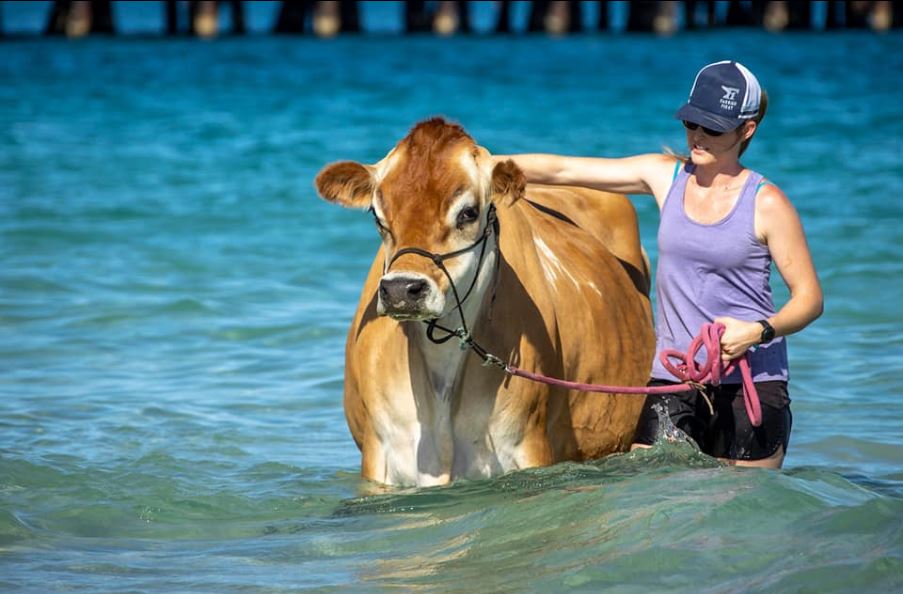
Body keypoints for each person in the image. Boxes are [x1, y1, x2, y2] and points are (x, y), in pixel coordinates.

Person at [495, 61, 823, 468]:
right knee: (651, 493)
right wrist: (478, 162)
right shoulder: (666, 176)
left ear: (746, 130)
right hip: (673, 380)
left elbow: (810, 299)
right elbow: (564, 169)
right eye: (691, 123)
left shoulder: (766, 202)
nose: (698, 136)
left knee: (741, 506)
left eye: (713, 128)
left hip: (751, 384)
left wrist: (757, 331)